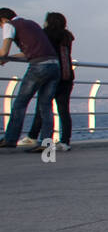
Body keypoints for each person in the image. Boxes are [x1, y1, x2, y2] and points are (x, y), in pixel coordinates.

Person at [0, 7, 60, 153]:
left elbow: (3, 51)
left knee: (20, 103)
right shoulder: (31, 24)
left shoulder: (9, 25)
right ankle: (46, 143)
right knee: (45, 106)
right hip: (54, 65)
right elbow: (30, 50)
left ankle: (10, 139)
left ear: (3, 20)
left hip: (39, 66)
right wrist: (10, 58)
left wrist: (4, 57)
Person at [24, 13, 76, 150]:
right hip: (67, 76)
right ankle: (65, 142)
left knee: (43, 106)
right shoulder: (67, 36)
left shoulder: (45, 35)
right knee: (64, 110)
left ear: (48, 22)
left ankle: (33, 137)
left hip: (51, 74)